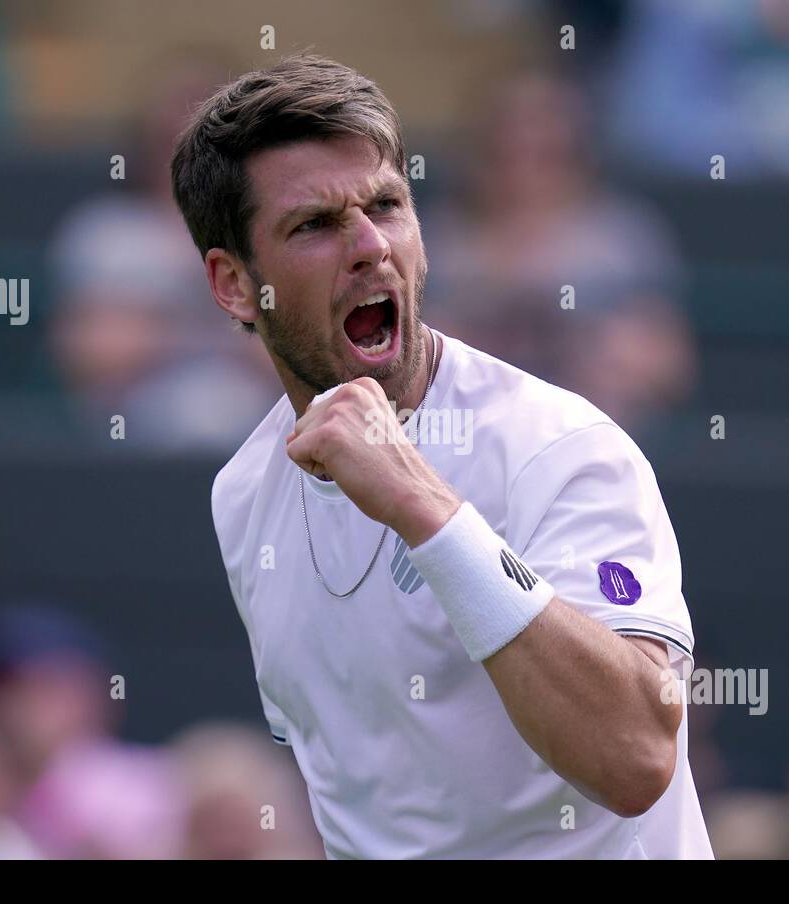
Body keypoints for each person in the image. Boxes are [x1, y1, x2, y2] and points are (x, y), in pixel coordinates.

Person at [172, 54, 711, 858]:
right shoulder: (244, 495)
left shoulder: (561, 447)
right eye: (314, 225)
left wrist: (425, 507)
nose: (368, 246)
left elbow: (636, 756)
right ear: (235, 285)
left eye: (387, 205)